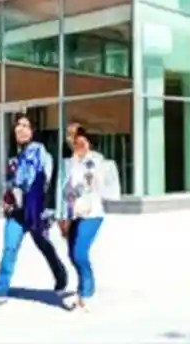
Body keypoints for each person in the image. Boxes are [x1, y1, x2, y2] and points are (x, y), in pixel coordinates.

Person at [0, 113, 69, 306]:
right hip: (17, 212)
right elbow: (11, 182)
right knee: (10, 248)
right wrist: (8, 197)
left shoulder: (39, 151)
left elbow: (44, 179)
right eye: (18, 125)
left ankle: (61, 276)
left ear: (32, 131)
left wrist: (43, 204)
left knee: (44, 246)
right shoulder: (14, 156)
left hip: (34, 210)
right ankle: (0, 291)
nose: (20, 129)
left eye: (25, 126)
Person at [58, 126, 119, 311]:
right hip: (72, 214)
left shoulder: (96, 161)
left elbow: (103, 185)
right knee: (72, 255)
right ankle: (82, 288)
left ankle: (87, 291)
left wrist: (95, 179)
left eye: (80, 138)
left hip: (92, 214)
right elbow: (62, 191)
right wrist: (62, 217)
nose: (77, 142)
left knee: (79, 252)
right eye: (73, 139)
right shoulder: (67, 163)